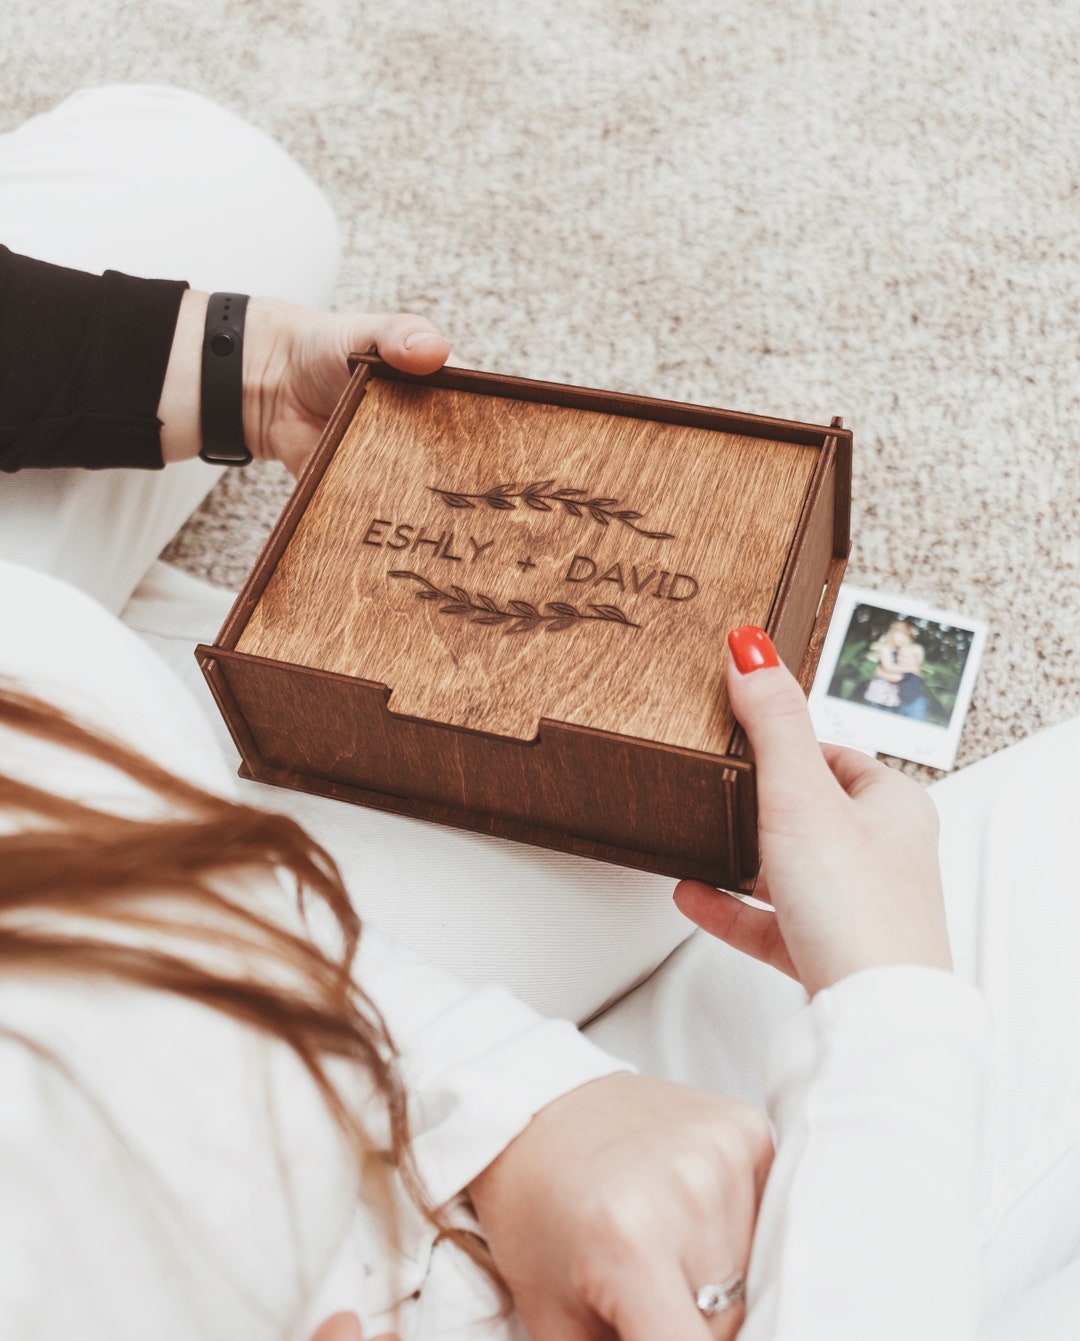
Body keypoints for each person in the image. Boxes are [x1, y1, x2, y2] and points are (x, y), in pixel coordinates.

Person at [2, 85, 1080, 1341]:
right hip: (336, 1199)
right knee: (647, 844)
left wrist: (236, 376)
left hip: (84, 802)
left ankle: (153, 633)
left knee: (201, 166)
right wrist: (892, 1006)